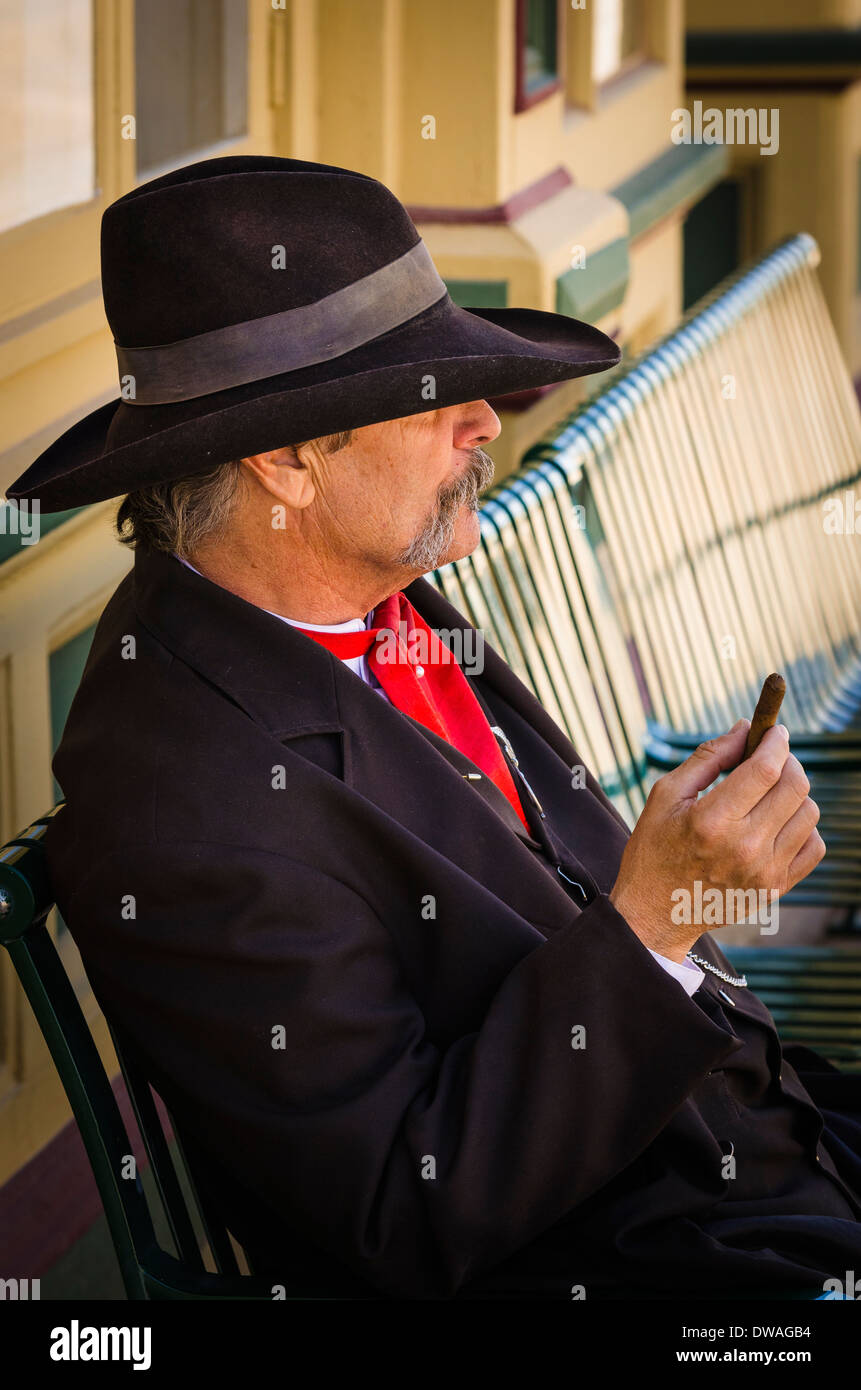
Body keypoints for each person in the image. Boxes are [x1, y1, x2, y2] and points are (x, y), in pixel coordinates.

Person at [7, 155, 861, 1301]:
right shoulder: (182, 803)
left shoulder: (355, 594)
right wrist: (658, 919)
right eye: (428, 394)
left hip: (743, 1152)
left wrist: (685, 891)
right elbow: (400, 1212)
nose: (480, 419)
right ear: (286, 459)